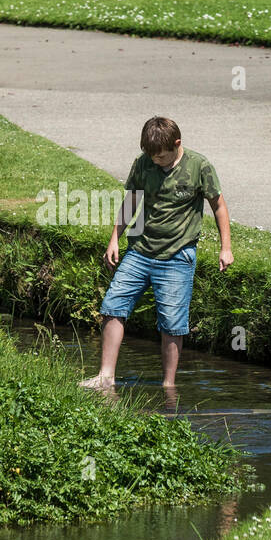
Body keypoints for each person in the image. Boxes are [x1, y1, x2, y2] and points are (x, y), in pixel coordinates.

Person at [78, 117, 233, 390]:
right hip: (139, 251)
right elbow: (131, 203)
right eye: (151, 156)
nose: (156, 161)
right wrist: (114, 239)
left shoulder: (199, 166)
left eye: (161, 156)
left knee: (172, 323)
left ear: (177, 144)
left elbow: (218, 205)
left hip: (178, 255)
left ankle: (168, 386)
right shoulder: (143, 163)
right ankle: (105, 377)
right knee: (113, 306)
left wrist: (226, 247)